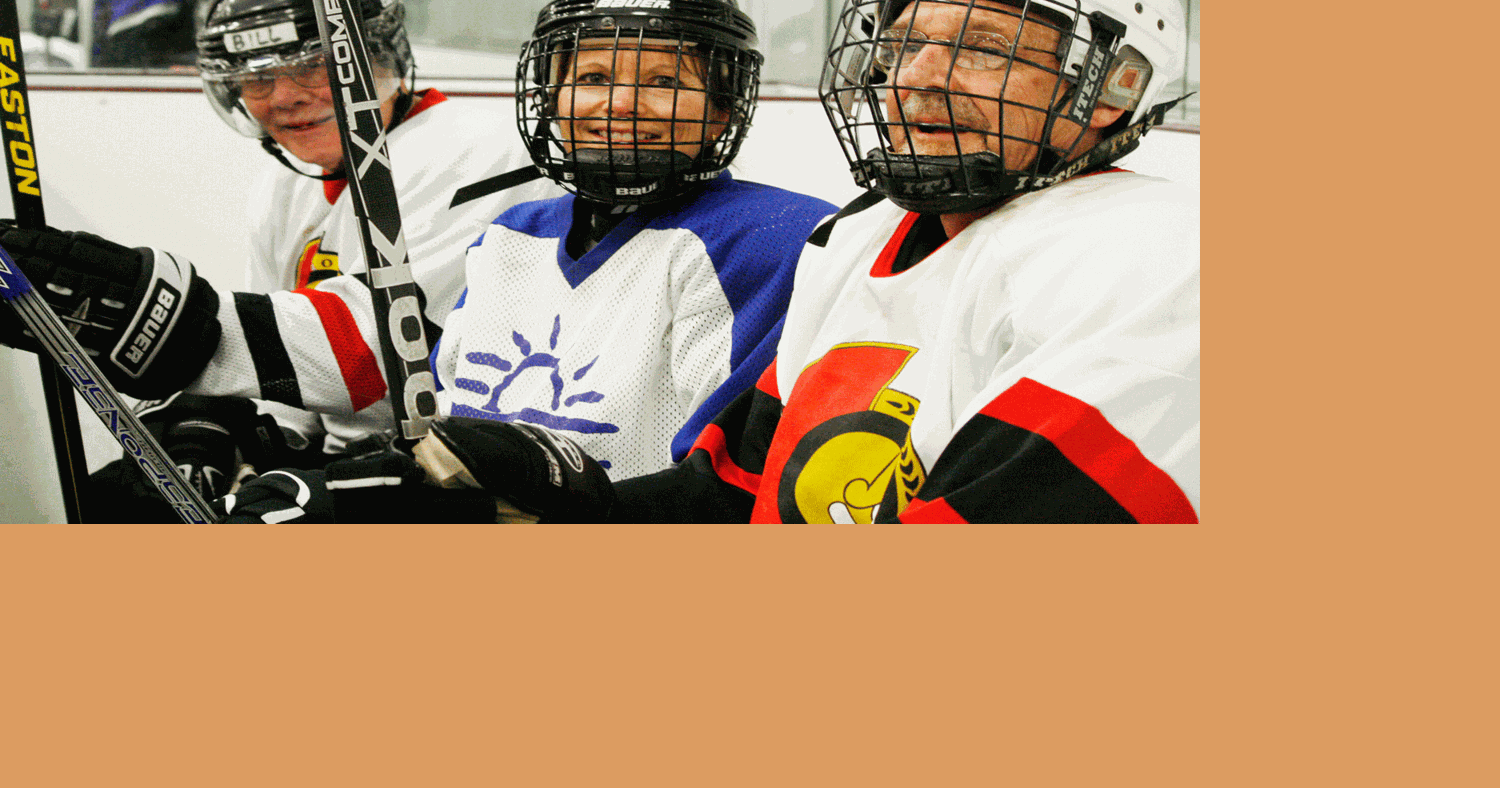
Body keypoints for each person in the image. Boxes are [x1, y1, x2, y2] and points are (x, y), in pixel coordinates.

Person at [249, 0, 1198, 524]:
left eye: (986, 50)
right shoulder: (859, 237)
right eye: (903, 43)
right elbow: (735, 489)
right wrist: (552, 497)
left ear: (1112, 91)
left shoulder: (1153, 256)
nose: (915, 80)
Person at [208, 0, 839, 524]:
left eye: (664, 82)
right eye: (592, 78)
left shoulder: (774, 236)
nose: (619, 104)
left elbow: (723, 494)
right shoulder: (511, 234)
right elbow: (452, 435)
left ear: (725, 108)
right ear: (551, 94)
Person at [0, 0, 559, 520]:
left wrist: (181, 331)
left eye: (313, 66)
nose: (284, 96)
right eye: (259, 76)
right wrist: (223, 424)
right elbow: (287, 386)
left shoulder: (483, 152)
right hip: (351, 460)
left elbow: (396, 360)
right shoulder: (284, 185)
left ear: (378, 57)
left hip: (463, 480)